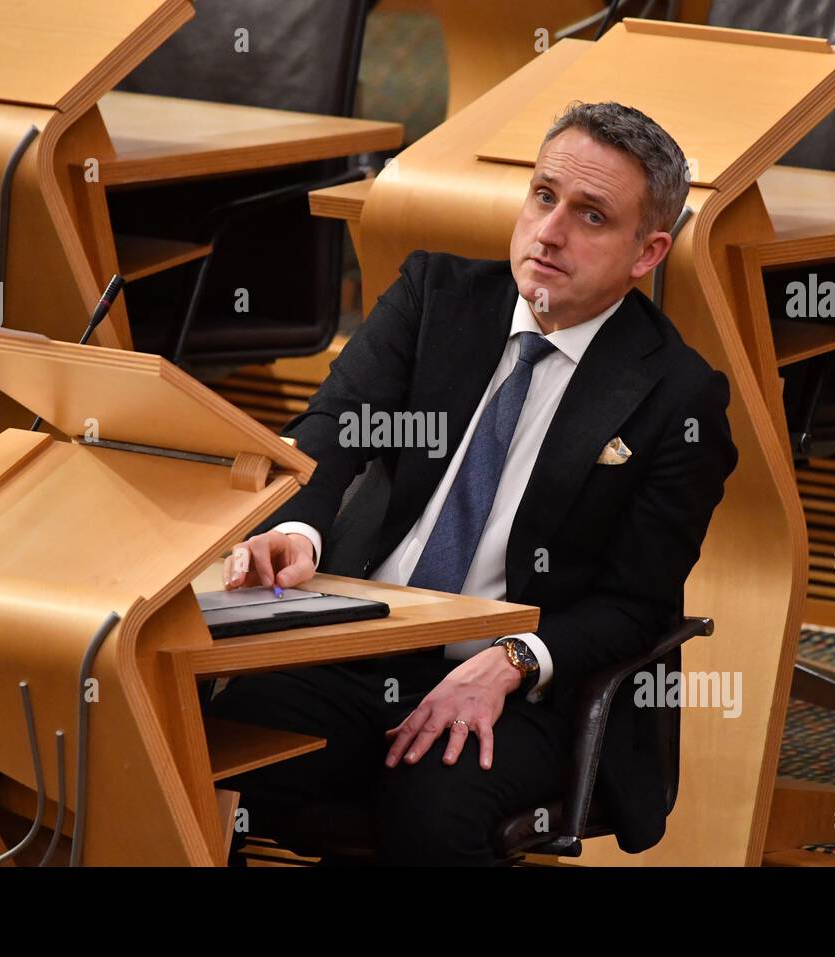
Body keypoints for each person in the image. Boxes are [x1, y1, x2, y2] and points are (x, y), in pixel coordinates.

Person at [206, 100, 738, 865]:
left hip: (524, 682)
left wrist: (517, 658)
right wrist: (297, 531)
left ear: (646, 253)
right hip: (360, 640)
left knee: (432, 802)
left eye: (591, 217)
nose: (550, 232)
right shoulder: (435, 297)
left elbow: (637, 604)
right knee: (197, 744)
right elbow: (332, 430)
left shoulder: (677, 395)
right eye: (545, 196)